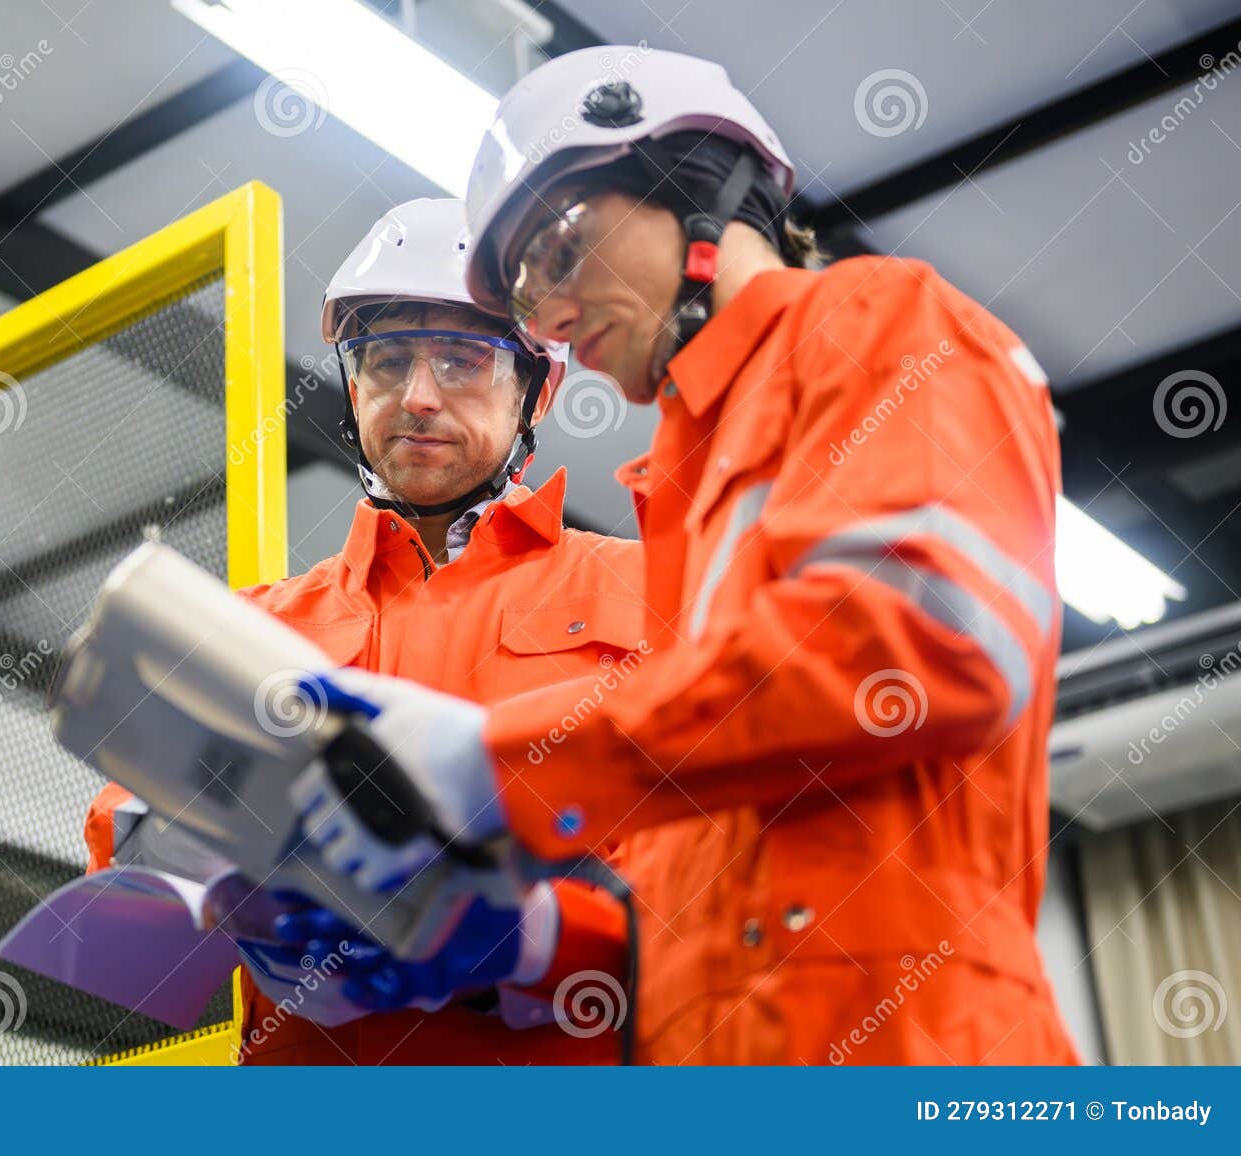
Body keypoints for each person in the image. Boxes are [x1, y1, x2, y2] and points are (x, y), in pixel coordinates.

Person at [293, 48, 1081, 1066]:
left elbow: (924, 638)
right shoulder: (683, 495)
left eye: (560, 252)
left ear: (694, 182)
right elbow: (696, 834)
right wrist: (526, 943)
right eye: (530, 300)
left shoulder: (880, 326)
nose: (557, 320)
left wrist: (500, 767)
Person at [84, 197, 646, 1064]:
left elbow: (739, 885)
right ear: (353, 385)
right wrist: (204, 889)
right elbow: (128, 929)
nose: (418, 397)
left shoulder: (654, 597)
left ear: (540, 385)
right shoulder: (252, 626)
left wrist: (547, 936)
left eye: (463, 359)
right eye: (386, 361)